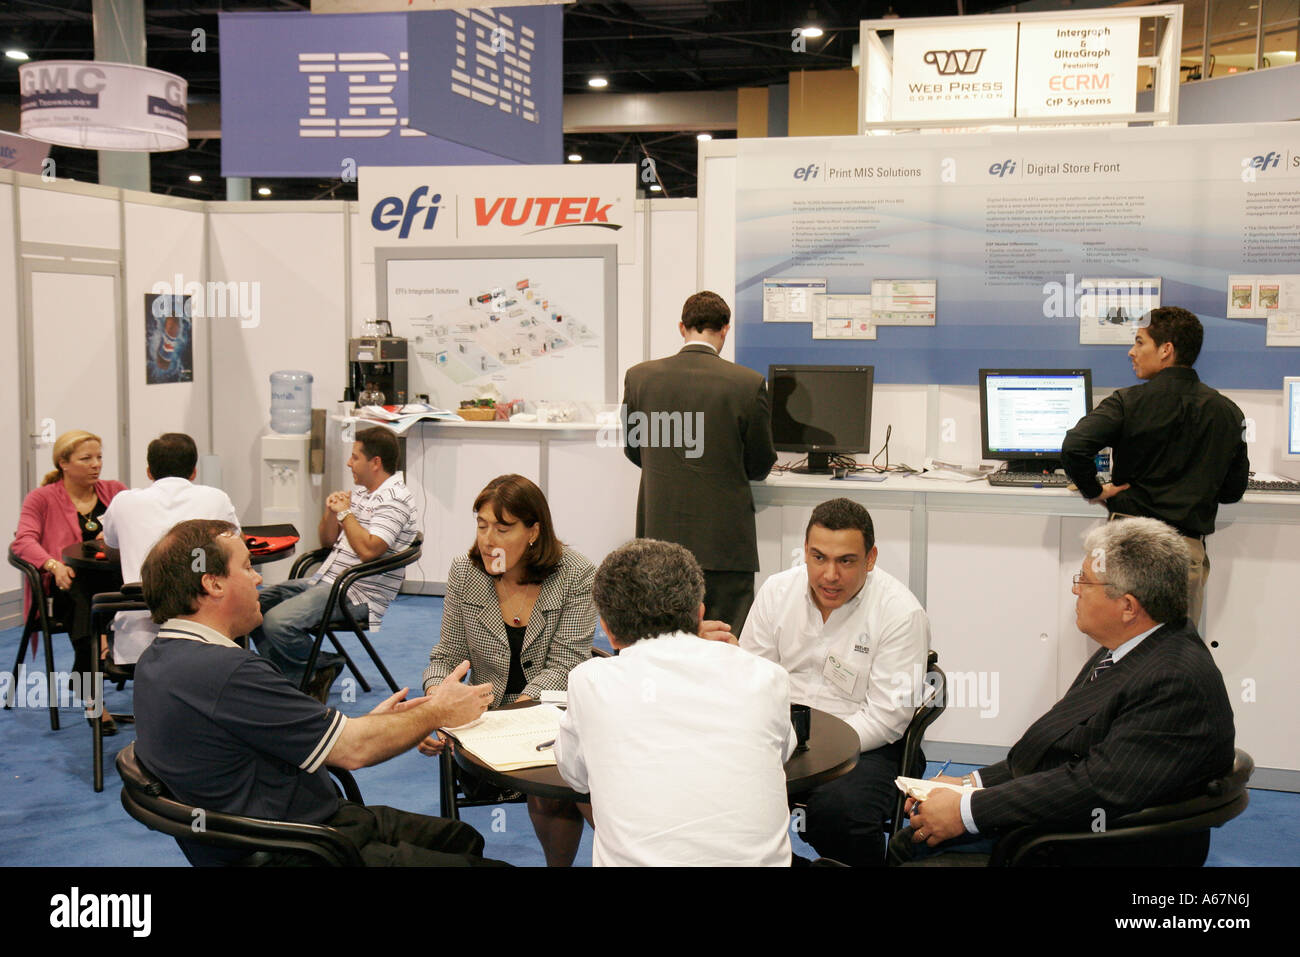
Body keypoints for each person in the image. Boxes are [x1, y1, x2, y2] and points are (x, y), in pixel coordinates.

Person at [133, 519, 502, 867]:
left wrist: (362, 726)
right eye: (246, 567)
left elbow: (270, 739)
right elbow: (355, 751)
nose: (257, 578)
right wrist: (438, 711)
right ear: (213, 584)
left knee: (460, 839)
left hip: (268, 832)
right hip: (305, 846)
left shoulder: (156, 661)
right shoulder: (228, 672)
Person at [895, 517, 1236, 867]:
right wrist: (970, 784)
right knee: (906, 843)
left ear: (1128, 607)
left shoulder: (1174, 681)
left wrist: (967, 811)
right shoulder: (1131, 648)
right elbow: (1057, 749)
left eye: (1085, 581)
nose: (1076, 590)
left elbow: (1097, 787)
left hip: (1100, 845)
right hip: (1072, 820)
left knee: (910, 852)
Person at [555, 539, 797, 867]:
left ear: (607, 632)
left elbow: (575, 776)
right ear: (700, 613)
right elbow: (782, 754)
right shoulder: (768, 677)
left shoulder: (589, 682)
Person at [740, 497, 930, 866]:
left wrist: (811, 751)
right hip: (782, 732)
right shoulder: (777, 592)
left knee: (838, 813)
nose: (830, 575)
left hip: (867, 745)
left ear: (870, 559)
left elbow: (886, 719)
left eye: (846, 561)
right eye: (818, 557)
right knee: (713, 785)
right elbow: (751, 679)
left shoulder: (901, 614)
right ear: (805, 552)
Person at [421, 474, 596, 867]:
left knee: (566, 774)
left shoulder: (576, 574)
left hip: (551, 718)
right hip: (482, 731)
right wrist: (435, 706)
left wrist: (518, 714)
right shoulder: (465, 574)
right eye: (482, 525)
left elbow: (567, 662)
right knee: (560, 779)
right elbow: (445, 657)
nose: (488, 539)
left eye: (503, 528)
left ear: (534, 531)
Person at [1061, 306, 1249, 626]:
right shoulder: (1228, 412)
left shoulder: (1127, 402)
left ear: (1166, 350)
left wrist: (1095, 490)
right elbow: (1232, 492)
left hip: (1124, 550)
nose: (1131, 352)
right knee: (1173, 655)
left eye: (1139, 342)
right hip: (1181, 555)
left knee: (1118, 654)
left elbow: (1075, 447)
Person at [621, 290, 777, 634]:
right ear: (725, 329)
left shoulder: (639, 378)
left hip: (656, 545)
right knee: (725, 643)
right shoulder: (748, 384)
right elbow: (760, 464)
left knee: (659, 643)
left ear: (682, 327)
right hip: (725, 548)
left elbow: (634, 451)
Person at [252, 427, 417, 699]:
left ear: (375, 463)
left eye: (355, 457)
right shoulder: (363, 492)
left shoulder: (395, 499)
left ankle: (320, 667)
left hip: (356, 593)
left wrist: (345, 514)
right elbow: (327, 541)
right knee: (252, 609)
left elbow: (369, 550)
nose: (348, 463)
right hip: (327, 581)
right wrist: (332, 513)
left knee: (276, 623)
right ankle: (304, 676)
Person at [11, 430, 126, 730]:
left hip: (112, 582)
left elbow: (137, 527)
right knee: (79, 591)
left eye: (99, 457)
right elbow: (22, 541)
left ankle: (91, 667)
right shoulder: (42, 498)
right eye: (86, 458)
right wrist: (52, 564)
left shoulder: (115, 491)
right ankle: (93, 697)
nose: (96, 465)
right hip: (66, 587)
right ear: (63, 463)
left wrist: (115, 533)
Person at [102, 432, 240, 665]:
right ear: (194, 471)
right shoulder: (216, 498)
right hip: (204, 626)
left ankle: (91, 695)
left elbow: (111, 549)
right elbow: (237, 546)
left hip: (139, 631)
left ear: (149, 471)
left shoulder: (123, 501)